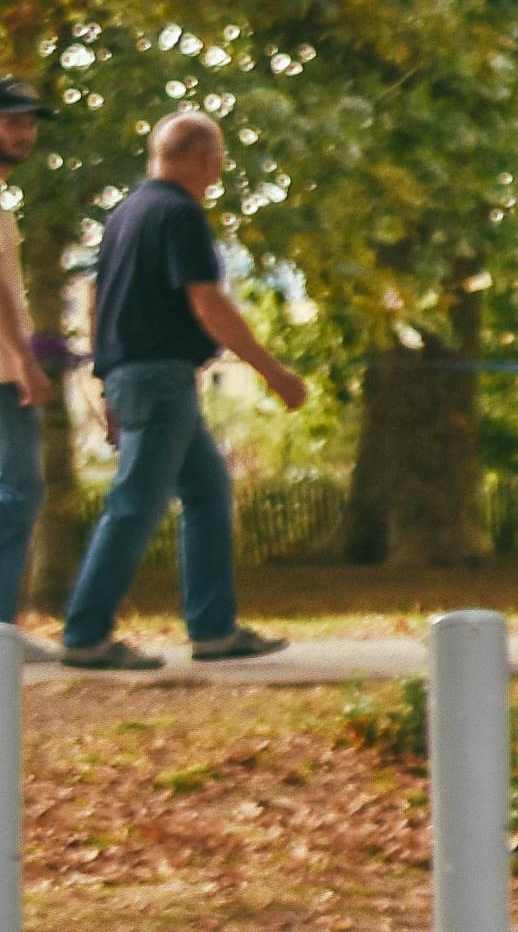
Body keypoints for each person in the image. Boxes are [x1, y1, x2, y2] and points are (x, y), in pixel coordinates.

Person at [58, 108, 310, 672]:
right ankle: (85, 634)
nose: (219, 169)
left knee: (207, 492)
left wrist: (105, 381)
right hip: (161, 380)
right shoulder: (179, 214)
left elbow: (102, 302)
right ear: (203, 157)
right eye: (218, 157)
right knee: (133, 506)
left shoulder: (125, 214)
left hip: (136, 377)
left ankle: (214, 629)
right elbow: (207, 301)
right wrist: (273, 371)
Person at [0, 79, 50, 661]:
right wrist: (24, 361)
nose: (24, 133)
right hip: (2, 372)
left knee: (17, 491)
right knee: (20, 492)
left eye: (29, 122)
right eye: (13, 121)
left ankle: (2, 630)